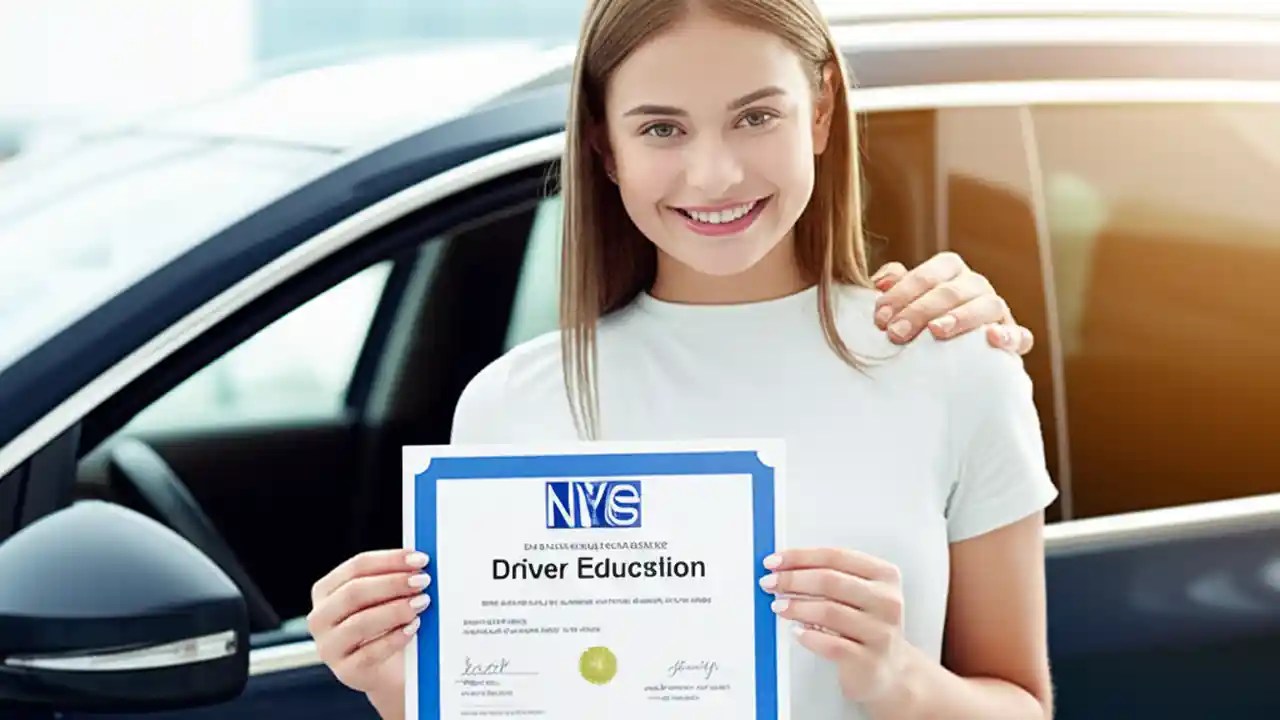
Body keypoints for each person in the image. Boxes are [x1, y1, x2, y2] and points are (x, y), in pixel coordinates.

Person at [307, 1, 1056, 717]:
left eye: (756, 117)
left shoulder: (952, 367)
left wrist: (898, 678)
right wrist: (396, 686)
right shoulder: (514, 404)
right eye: (663, 129)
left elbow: (1022, 706)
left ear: (821, 109)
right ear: (605, 144)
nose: (714, 176)